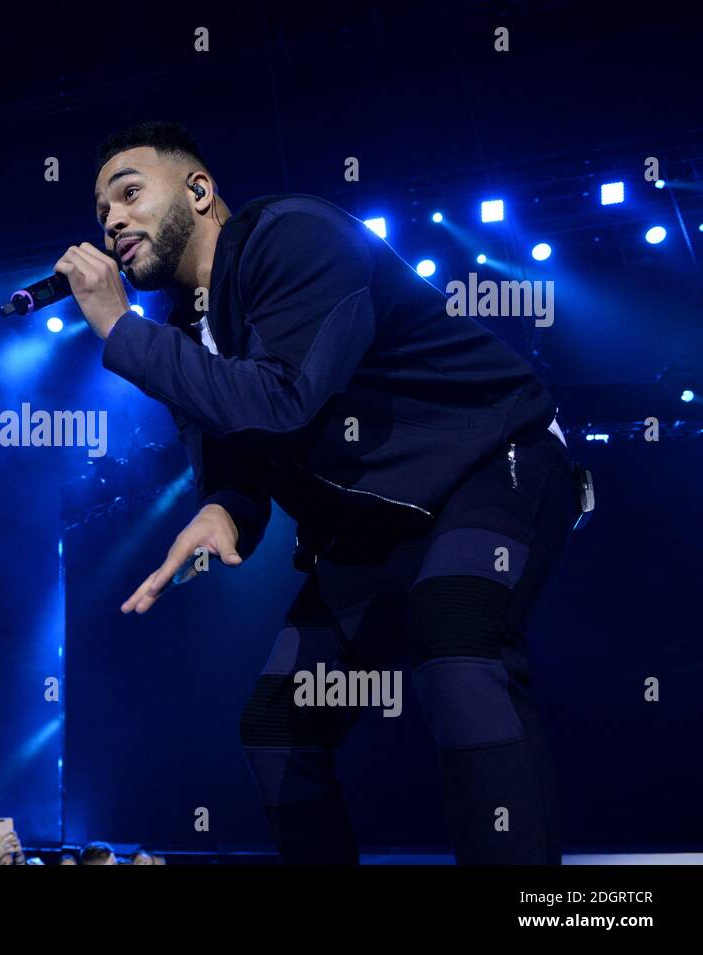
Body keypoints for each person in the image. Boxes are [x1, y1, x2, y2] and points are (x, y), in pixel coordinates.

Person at [59, 120, 585, 865]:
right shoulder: (183, 333)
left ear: (200, 190)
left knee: (460, 644)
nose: (111, 221)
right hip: (374, 529)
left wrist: (115, 324)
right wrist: (219, 509)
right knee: (276, 728)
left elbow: (284, 401)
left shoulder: (296, 237)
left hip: (491, 461)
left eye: (130, 192)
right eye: (100, 209)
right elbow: (240, 464)